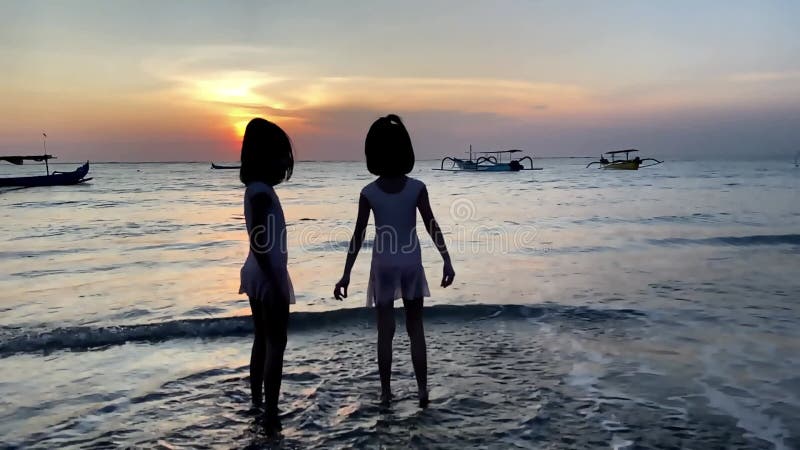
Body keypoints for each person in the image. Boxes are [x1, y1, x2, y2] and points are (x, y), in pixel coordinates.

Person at [334, 114, 455, 407]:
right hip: (411, 263)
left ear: (373, 153)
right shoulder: (416, 188)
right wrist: (446, 260)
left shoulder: (369, 192)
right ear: (405, 151)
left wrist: (346, 274)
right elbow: (431, 225)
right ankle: (423, 391)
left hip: (384, 265)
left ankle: (386, 393)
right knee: (416, 330)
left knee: (385, 333)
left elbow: (357, 236)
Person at [238, 117, 295, 432]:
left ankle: (258, 400)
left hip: (257, 273)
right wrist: (276, 281)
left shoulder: (256, 189)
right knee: (277, 342)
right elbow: (259, 241)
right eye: (281, 157)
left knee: (262, 338)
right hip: (267, 273)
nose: (285, 163)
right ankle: (270, 408)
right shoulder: (261, 193)